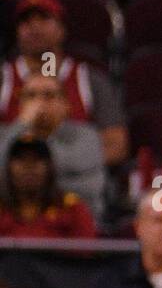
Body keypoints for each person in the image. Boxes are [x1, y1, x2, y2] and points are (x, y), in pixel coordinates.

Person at [0, 0, 129, 166]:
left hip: (75, 184)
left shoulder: (89, 79)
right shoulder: (3, 79)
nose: (34, 27)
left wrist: (55, 167)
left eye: (44, 19)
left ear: (62, 29)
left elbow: (117, 145)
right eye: (26, 21)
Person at [0, 73, 105, 223]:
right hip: (14, 226)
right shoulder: (5, 134)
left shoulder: (87, 135)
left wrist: (22, 186)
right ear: (21, 105)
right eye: (31, 96)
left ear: (66, 104)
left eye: (48, 95)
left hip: (72, 225)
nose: (39, 103)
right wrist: (22, 124)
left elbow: (91, 189)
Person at [0, 135, 95, 238]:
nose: (29, 166)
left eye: (37, 159)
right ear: (8, 168)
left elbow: (86, 250)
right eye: (21, 159)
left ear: (50, 168)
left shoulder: (72, 209)